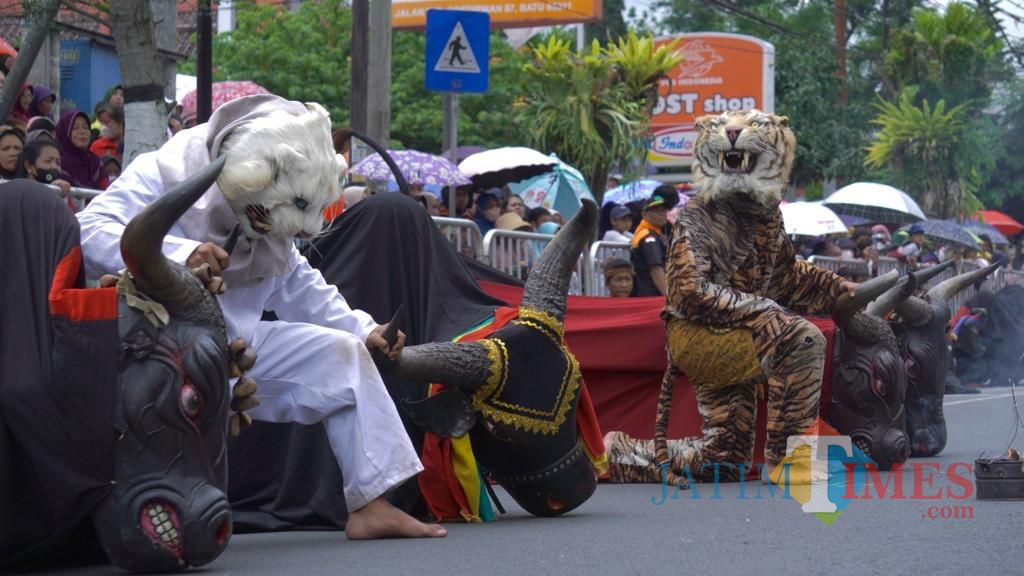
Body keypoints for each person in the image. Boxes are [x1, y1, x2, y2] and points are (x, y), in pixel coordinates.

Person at [76, 94, 446, 540]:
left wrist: (363, 329)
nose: (278, 232)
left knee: (344, 356)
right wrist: (180, 254)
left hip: (235, 355)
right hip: (154, 356)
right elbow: (90, 229)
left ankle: (371, 504)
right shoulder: (163, 170)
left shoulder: (274, 211)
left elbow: (299, 283)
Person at [629, 192, 670, 296]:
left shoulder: (656, 233)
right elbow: (656, 269)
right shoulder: (648, 236)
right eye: (656, 210)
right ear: (644, 214)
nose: (662, 213)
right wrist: (669, 297)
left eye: (664, 210)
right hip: (652, 296)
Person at [55, 109, 107, 190]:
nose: (82, 132)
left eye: (86, 127)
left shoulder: (95, 161)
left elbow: (105, 191)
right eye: (75, 128)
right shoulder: (57, 161)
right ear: (64, 132)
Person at [17, 138, 74, 206]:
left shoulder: (62, 192)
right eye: (48, 161)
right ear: (28, 166)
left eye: (58, 163)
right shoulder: (16, 193)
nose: (54, 167)